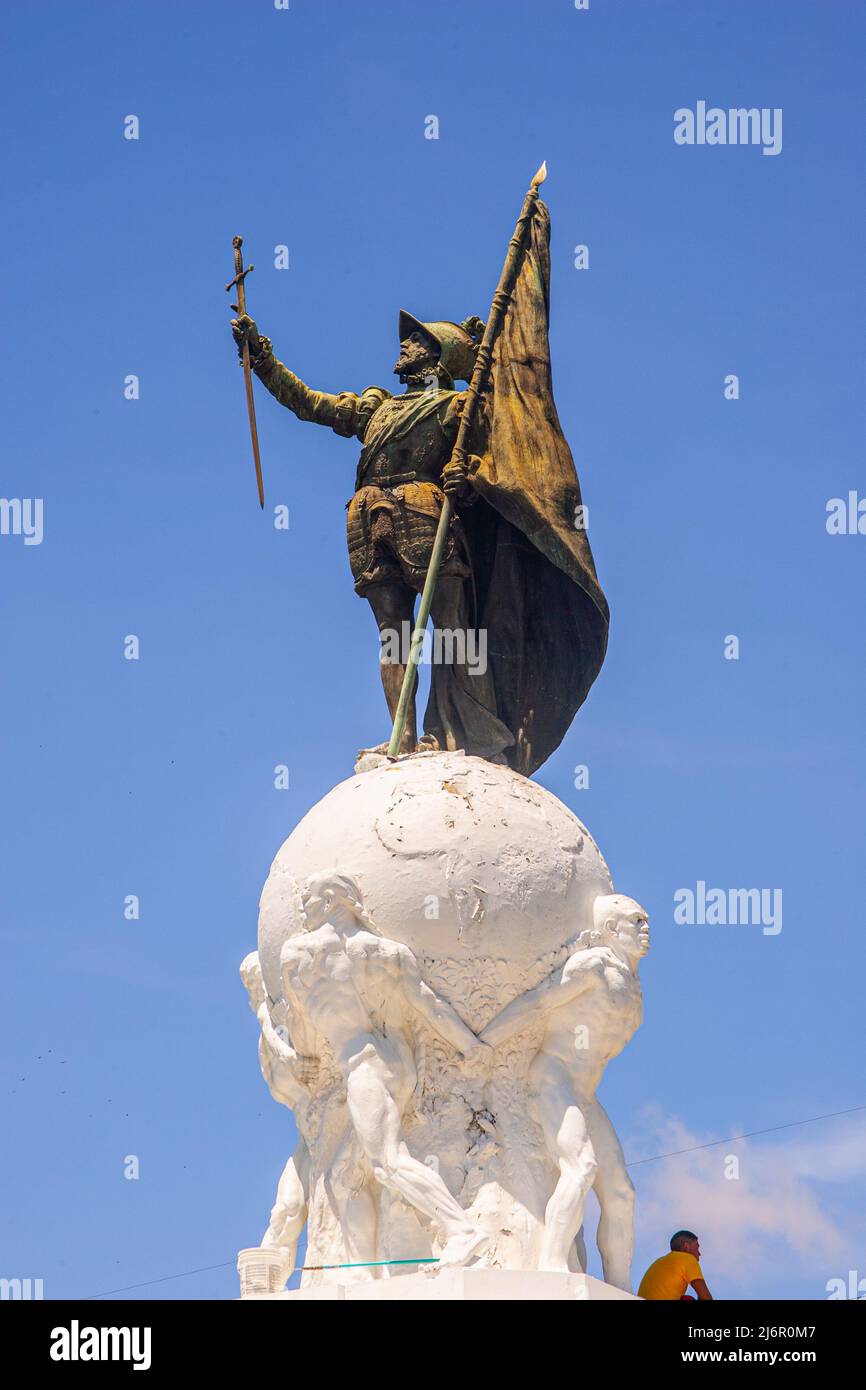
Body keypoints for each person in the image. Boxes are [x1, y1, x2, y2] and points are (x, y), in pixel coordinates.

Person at [480, 894, 649, 1288]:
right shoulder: (593, 966)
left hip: (585, 1091)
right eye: (636, 921)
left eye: (645, 921)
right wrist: (483, 1042)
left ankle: (620, 1288)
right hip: (554, 1078)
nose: (646, 929)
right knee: (582, 1166)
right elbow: (537, 1002)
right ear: (611, 929)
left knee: (622, 1192)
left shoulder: (632, 985)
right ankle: (552, 1262)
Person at [638, 1231, 713, 1301]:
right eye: (697, 1248)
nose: (699, 1253)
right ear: (686, 1246)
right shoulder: (688, 1258)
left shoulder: (660, 1261)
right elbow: (705, 1296)